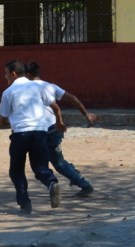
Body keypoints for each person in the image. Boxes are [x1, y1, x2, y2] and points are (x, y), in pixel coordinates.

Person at [0, 60, 61, 214]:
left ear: (13, 74)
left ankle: (25, 202)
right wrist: (59, 121)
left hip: (21, 134)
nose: (4, 77)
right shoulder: (38, 87)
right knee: (40, 168)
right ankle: (51, 182)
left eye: (6, 74)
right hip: (40, 132)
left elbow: (3, 119)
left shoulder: (9, 92)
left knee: (16, 170)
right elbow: (54, 106)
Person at [25, 60, 98, 197]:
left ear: (28, 74)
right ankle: (74, 175)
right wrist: (85, 114)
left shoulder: (26, 88)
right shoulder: (50, 86)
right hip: (55, 127)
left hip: (40, 130)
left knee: (50, 163)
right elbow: (72, 98)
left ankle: (83, 184)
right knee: (57, 161)